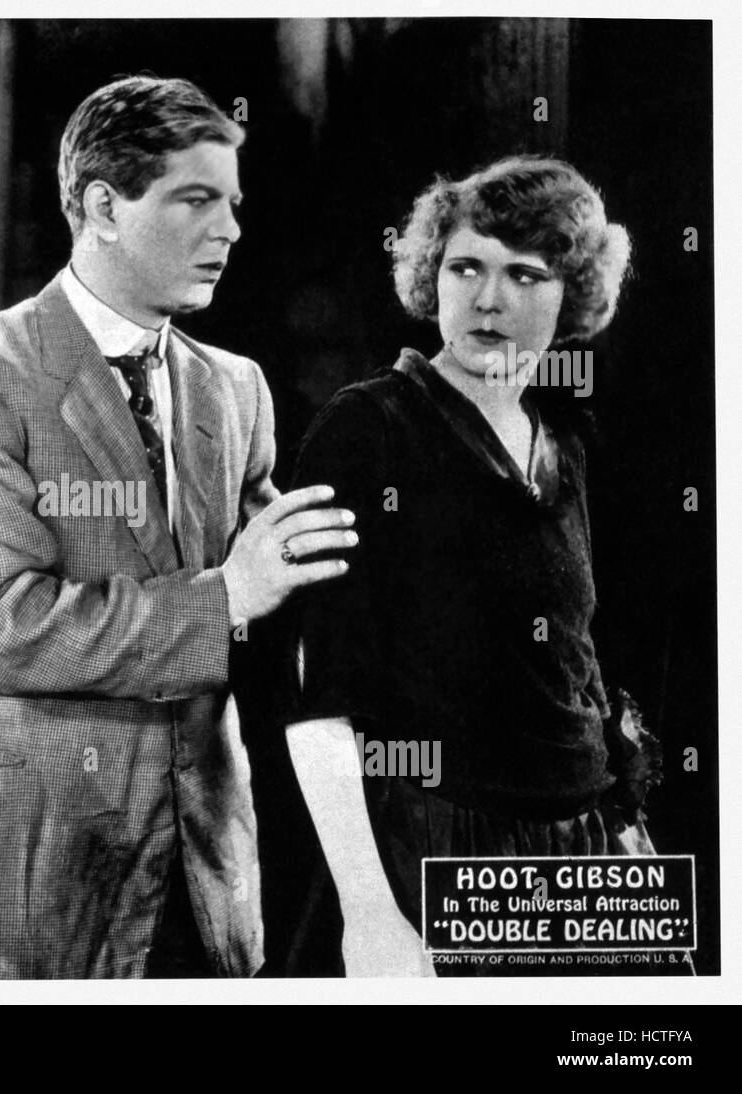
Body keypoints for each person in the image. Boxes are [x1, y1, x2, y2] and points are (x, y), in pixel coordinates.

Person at [0, 75, 355, 979]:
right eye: (196, 201)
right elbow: (3, 628)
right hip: (7, 881)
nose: (230, 231)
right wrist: (227, 597)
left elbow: (274, 590)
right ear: (103, 206)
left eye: (233, 204)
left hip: (191, 877)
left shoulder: (233, 386)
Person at [266, 155, 653, 977]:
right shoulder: (368, 429)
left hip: (583, 848)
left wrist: (623, 836)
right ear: (430, 276)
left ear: (572, 294)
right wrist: (370, 913)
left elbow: (572, 660)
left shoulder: (567, 441)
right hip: (436, 848)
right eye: (465, 267)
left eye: (525, 274)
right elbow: (317, 702)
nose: (487, 298)